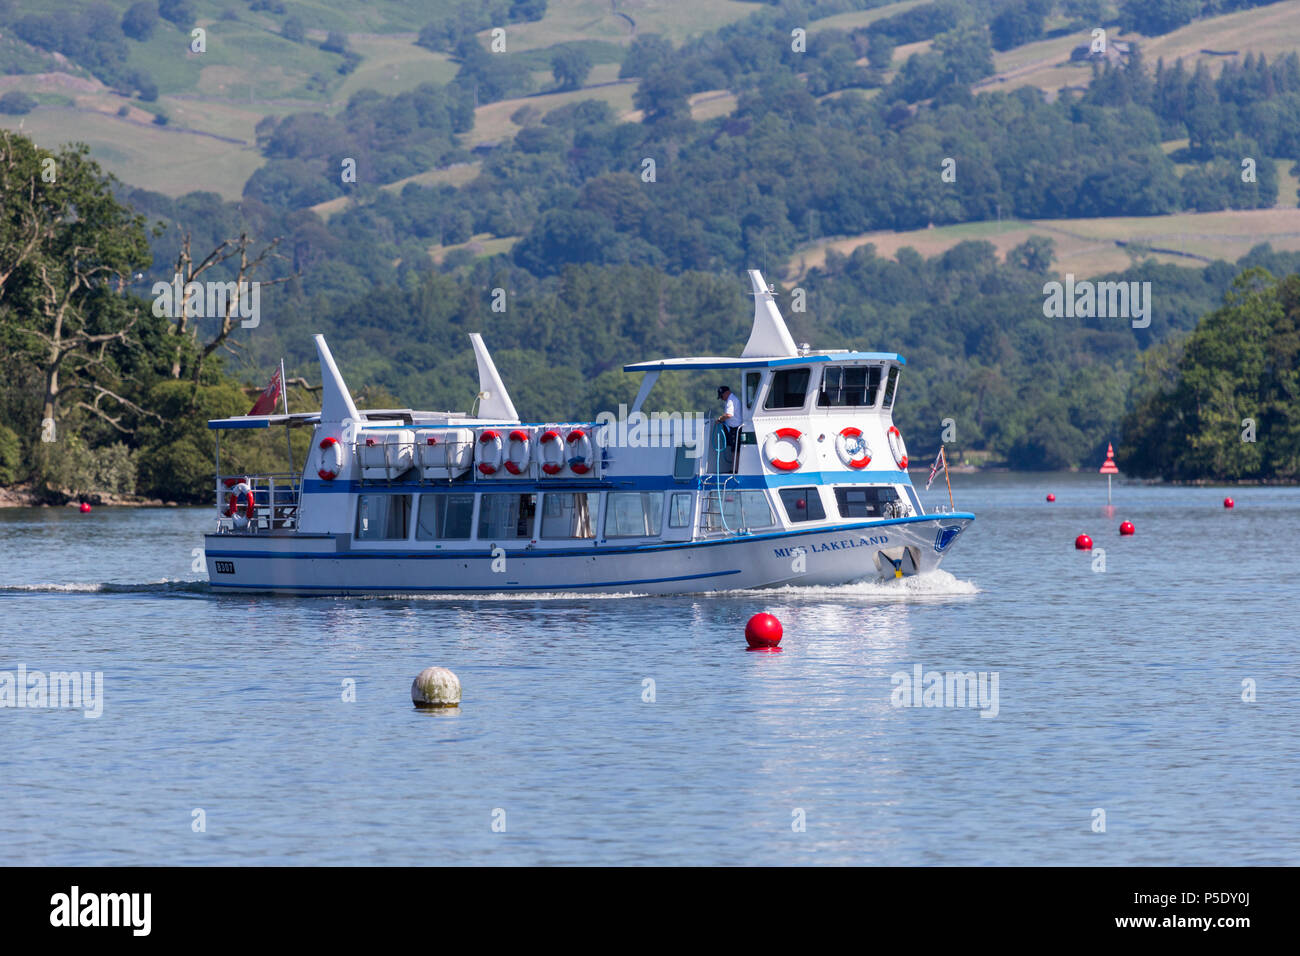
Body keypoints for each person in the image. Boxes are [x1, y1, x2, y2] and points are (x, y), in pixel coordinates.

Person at [715, 385, 741, 472]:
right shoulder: (732, 399)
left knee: (735, 450)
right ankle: (734, 468)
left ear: (726, 393)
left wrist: (720, 419)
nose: (722, 399)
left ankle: (734, 469)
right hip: (733, 428)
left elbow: (729, 414)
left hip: (735, 428)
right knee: (734, 450)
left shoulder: (730, 400)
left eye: (722, 396)